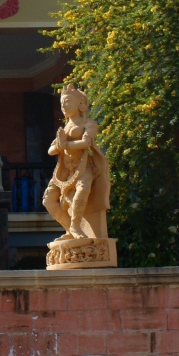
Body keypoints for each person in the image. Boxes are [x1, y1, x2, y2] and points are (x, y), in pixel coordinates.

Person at [42, 84, 111, 241]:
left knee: (82, 189)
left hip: (83, 167)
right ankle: (70, 229)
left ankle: (76, 225)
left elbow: (86, 143)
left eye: (67, 101)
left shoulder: (88, 124)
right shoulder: (64, 129)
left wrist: (64, 145)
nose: (63, 106)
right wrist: (59, 145)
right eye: (61, 103)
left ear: (80, 104)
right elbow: (51, 150)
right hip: (64, 171)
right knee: (48, 200)